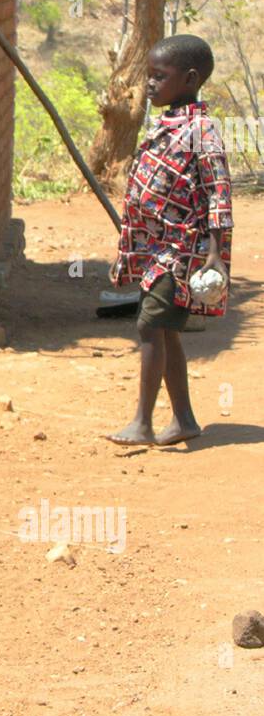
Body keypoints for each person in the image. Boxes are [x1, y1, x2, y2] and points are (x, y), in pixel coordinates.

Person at [107, 33, 233, 447]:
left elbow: (218, 192)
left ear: (190, 79)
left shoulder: (202, 131)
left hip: (182, 251)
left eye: (160, 76)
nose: (150, 83)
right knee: (166, 330)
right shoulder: (170, 123)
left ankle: (142, 422)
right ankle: (184, 420)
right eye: (149, 75)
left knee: (149, 326)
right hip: (158, 247)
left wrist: (215, 254)